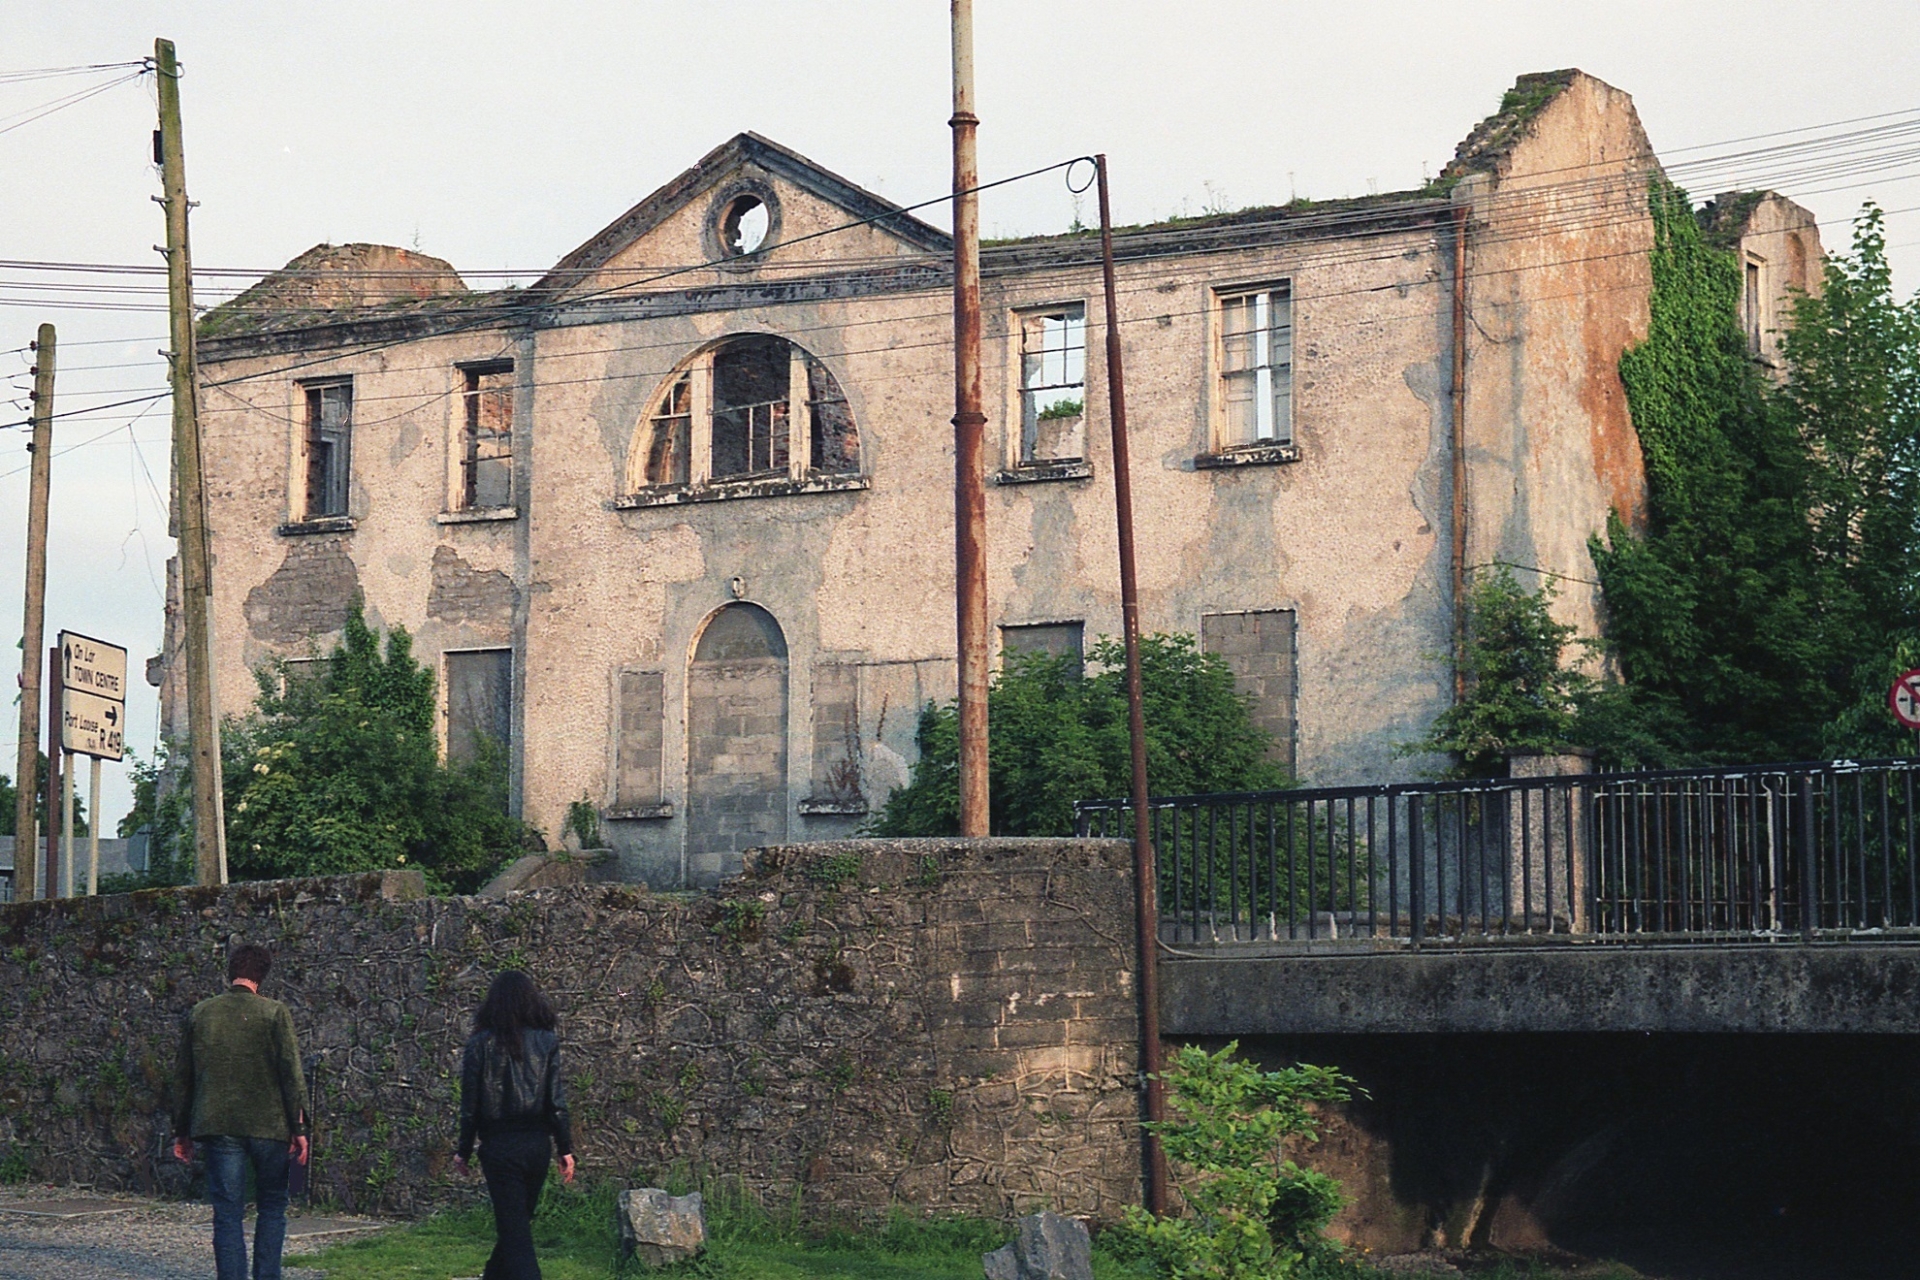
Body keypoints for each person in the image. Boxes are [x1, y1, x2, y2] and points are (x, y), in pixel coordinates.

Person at [171, 942, 310, 1280]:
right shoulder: (275, 1012)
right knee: (272, 1207)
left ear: (230, 973)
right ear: (261, 977)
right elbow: (291, 1074)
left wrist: (181, 1131)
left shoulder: (201, 1013)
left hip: (219, 1125)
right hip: (270, 1126)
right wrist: (300, 1128)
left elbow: (183, 1078)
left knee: (227, 1212)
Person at [455, 970, 576, 1280]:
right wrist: (565, 1148)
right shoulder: (546, 1041)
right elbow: (556, 1102)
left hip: (499, 1147)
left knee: (515, 1233)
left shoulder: (479, 1044)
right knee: (516, 1228)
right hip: (536, 1146)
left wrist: (464, 1150)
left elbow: (470, 1106)